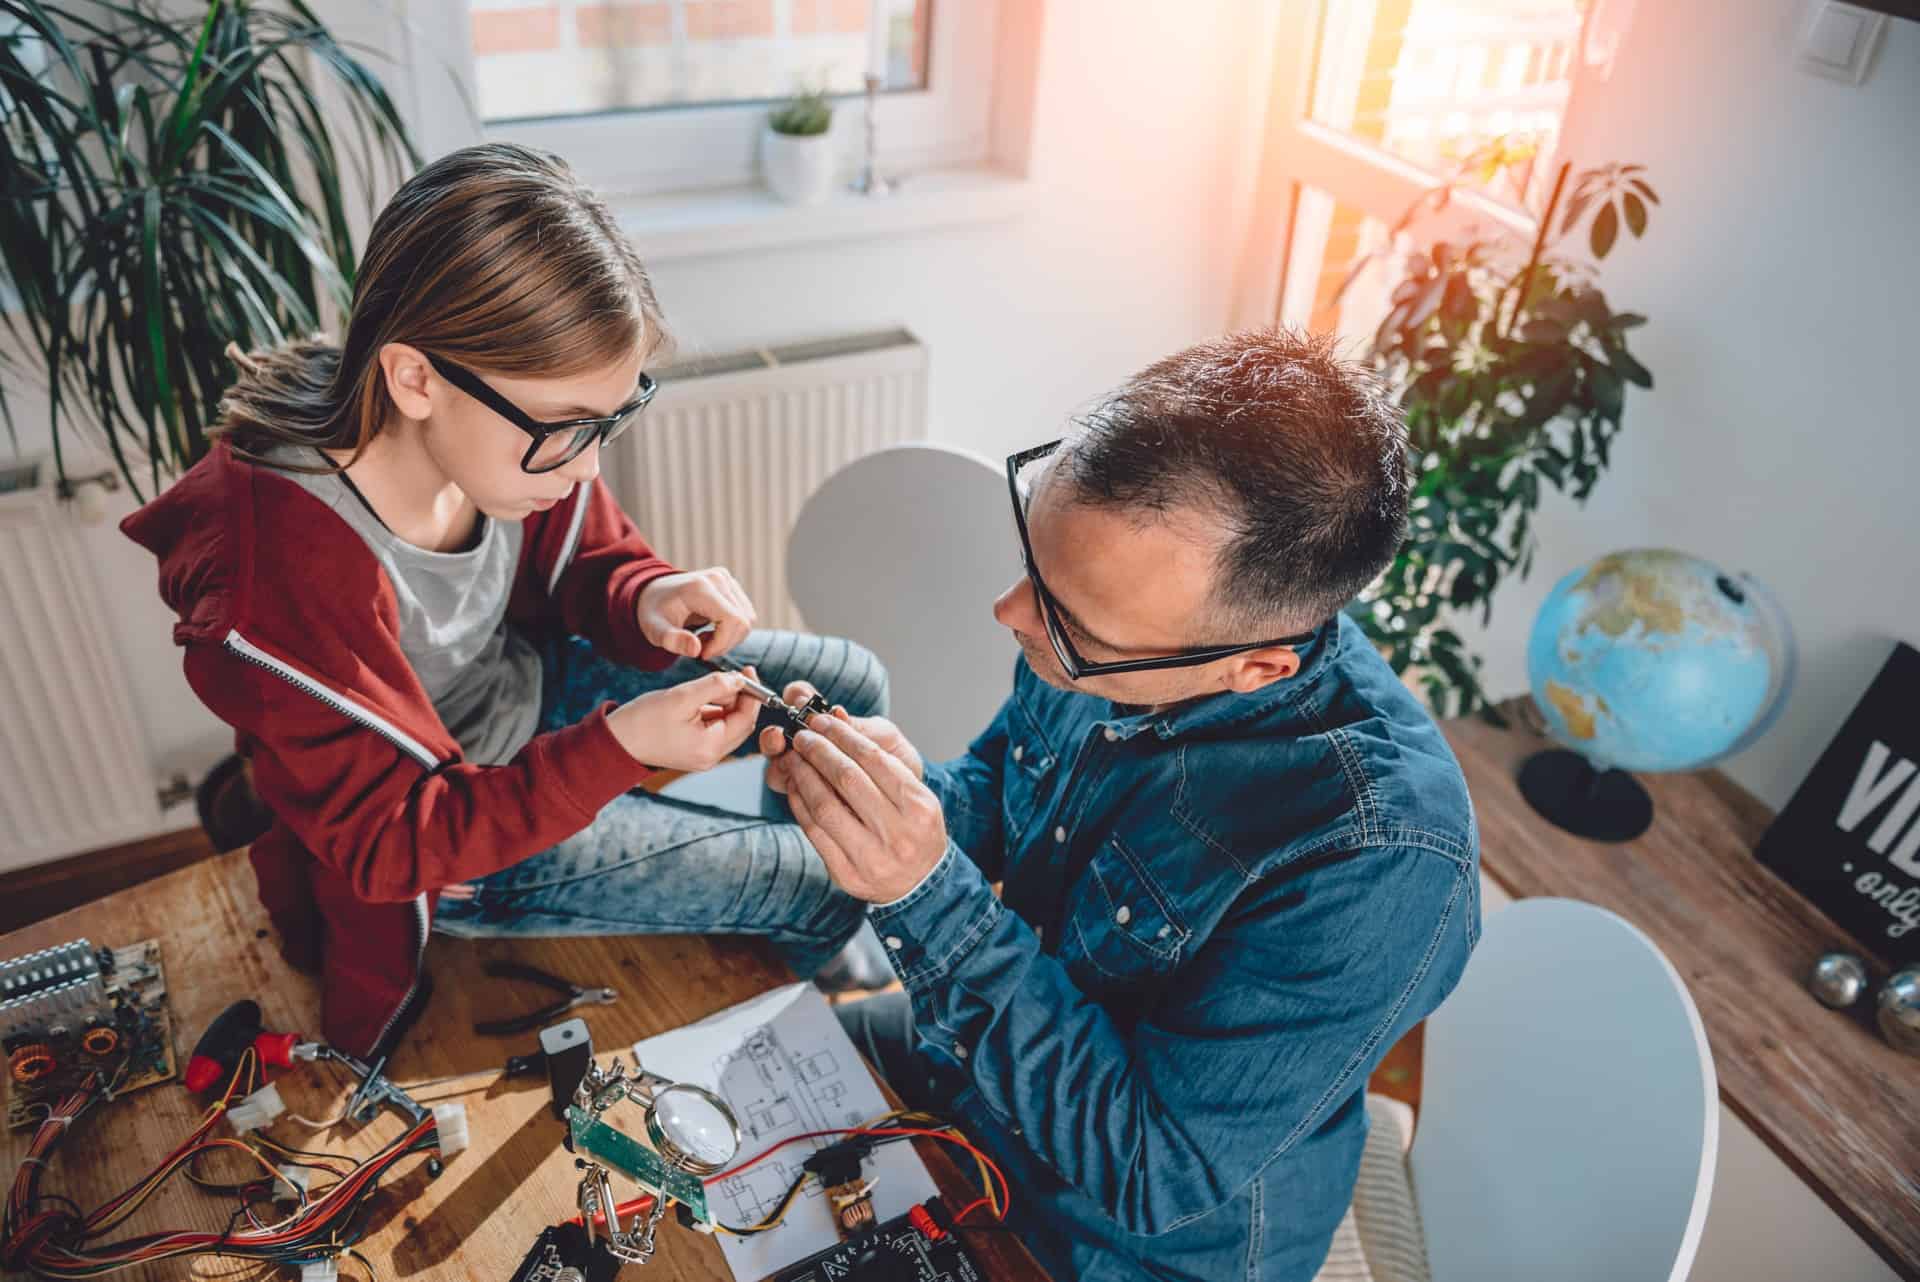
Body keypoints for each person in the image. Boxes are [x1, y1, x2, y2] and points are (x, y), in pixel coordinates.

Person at [121, 143, 883, 1059]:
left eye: (611, 420)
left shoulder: (495, 437)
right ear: (415, 380)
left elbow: (587, 556)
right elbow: (388, 844)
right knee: (827, 882)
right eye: (566, 431)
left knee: (853, 683)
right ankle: (791, 989)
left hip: (523, 695)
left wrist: (643, 593)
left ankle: (760, 923)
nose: (589, 467)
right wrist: (619, 752)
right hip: (443, 844)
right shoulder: (274, 583)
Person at [763, 329, 1481, 1281]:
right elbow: (999, 801)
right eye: (1034, 560)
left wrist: (922, 889)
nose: (1011, 612)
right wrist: (898, 794)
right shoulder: (1116, 632)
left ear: (1254, 667)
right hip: (967, 1070)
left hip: (1116, 1240)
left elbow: (1150, 1169)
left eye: (1070, 621)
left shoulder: (1382, 857)